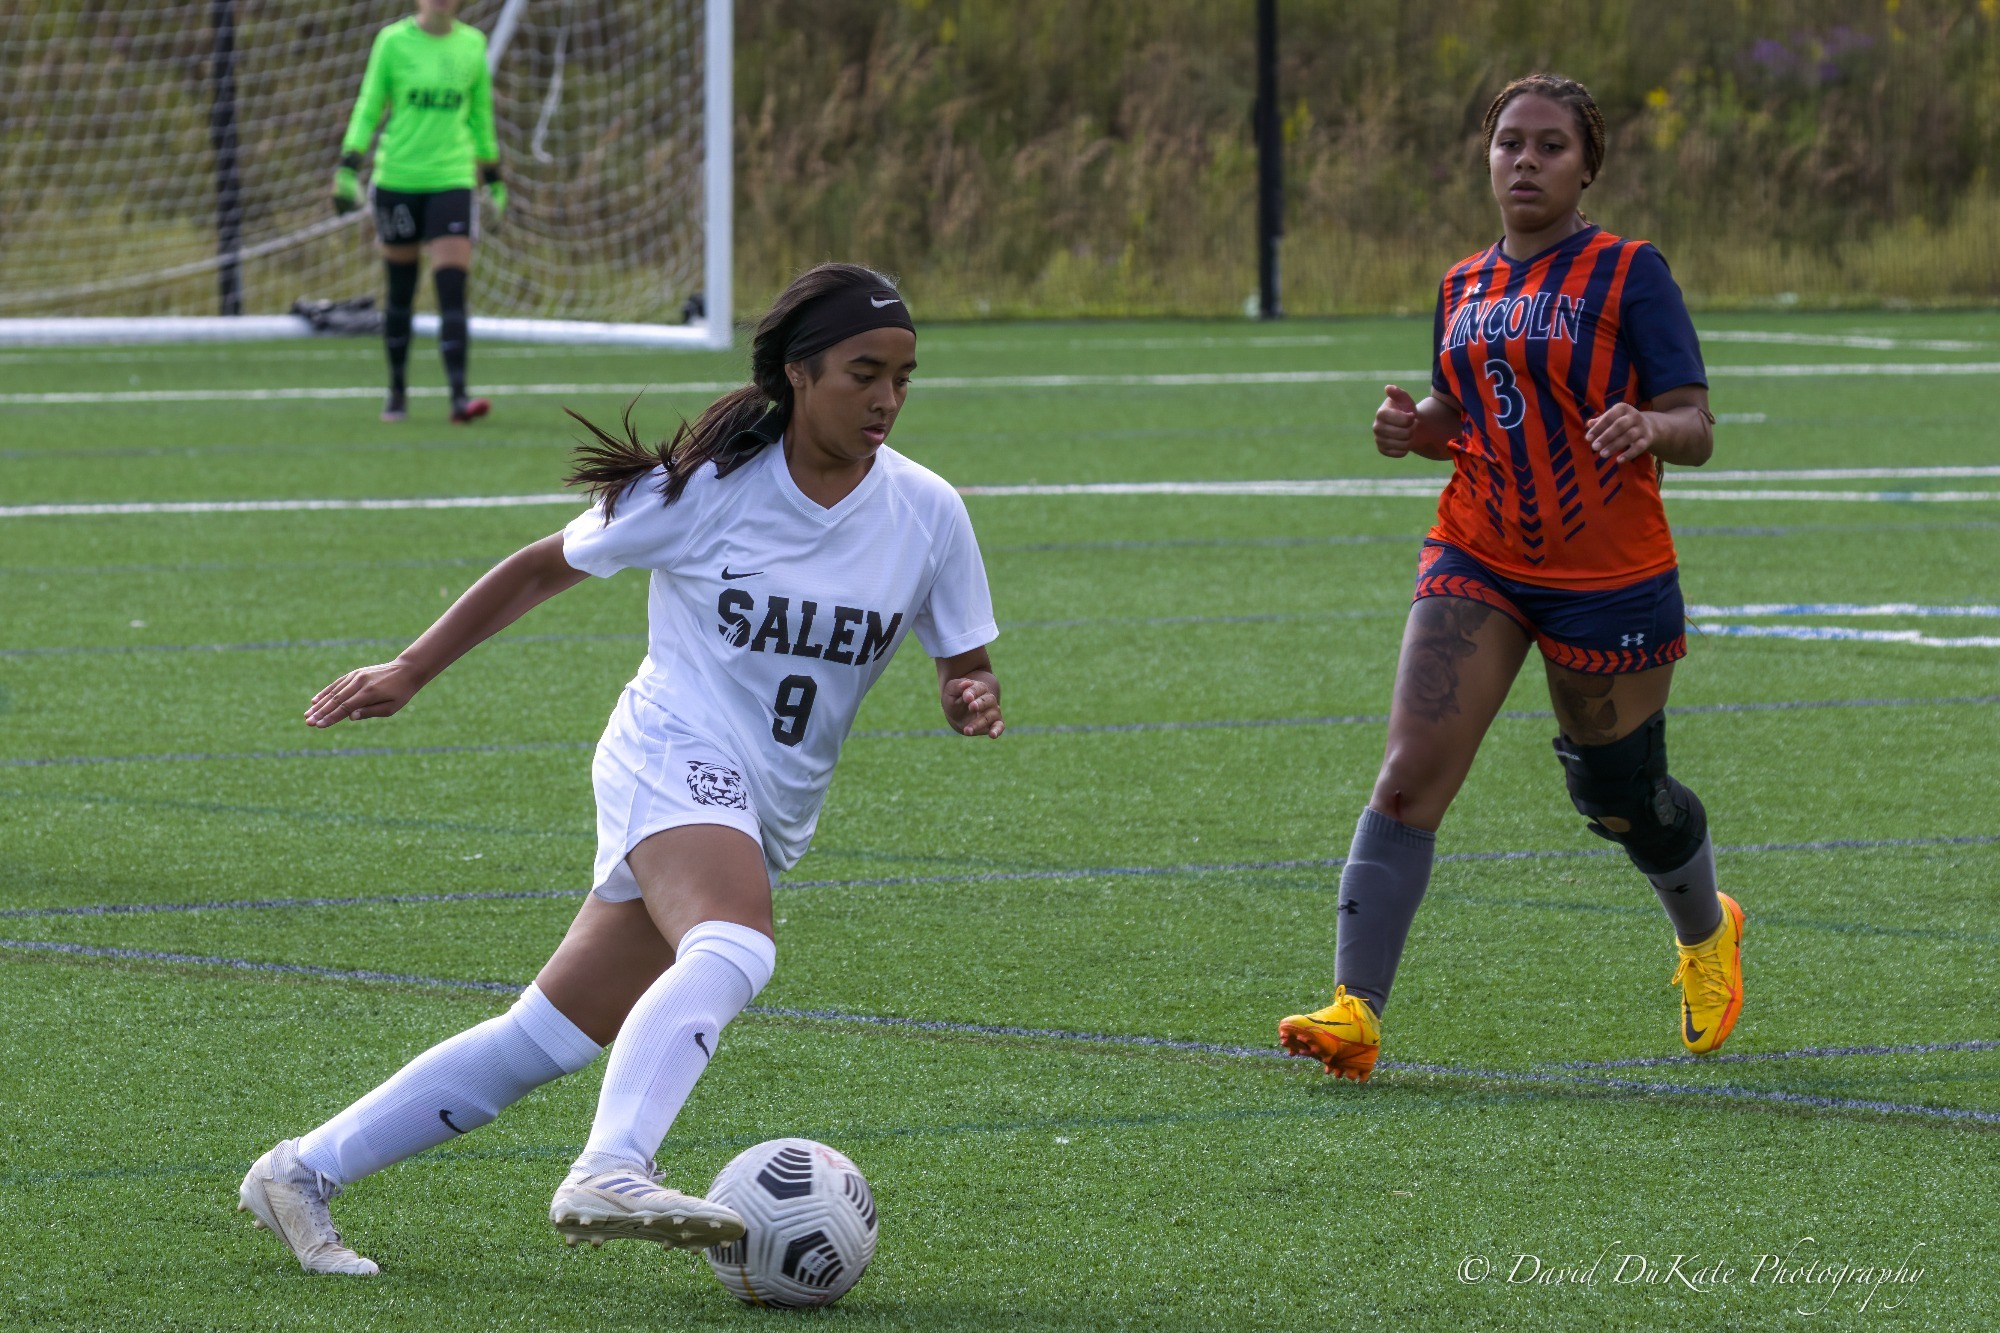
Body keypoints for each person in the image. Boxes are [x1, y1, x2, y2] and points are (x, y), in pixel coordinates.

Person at [238, 264, 1004, 1275]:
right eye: (864, 373)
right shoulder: (707, 489)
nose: (887, 400)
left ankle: (298, 1171)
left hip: (770, 807)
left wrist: (966, 695)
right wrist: (410, 669)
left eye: (904, 378)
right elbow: (539, 566)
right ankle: (610, 1163)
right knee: (734, 943)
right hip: (669, 751)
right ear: (795, 372)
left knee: (544, 1036)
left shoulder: (928, 512)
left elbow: (964, 661)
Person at [1278, 75, 1740, 1082]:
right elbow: (1465, 408)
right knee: (1407, 774)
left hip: (1606, 577)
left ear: (1586, 167)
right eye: (1506, 144)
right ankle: (1354, 1009)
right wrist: (1414, 429)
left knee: (1620, 797)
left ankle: (1705, 930)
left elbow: (1694, 425)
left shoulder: (1628, 274)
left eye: (1547, 147)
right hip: (1476, 551)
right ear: (1485, 158)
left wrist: (1648, 425)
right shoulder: (1460, 285)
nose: (1522, 161)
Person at [333, 0, 501, 425]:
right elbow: (369, 106)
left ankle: (460, 397)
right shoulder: (391, 42)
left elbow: (481, 117)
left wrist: (494, 177)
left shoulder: (472, 45)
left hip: (452, 179)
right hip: (398, 180)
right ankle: (396, 393)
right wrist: (348, 164)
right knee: (401, 290)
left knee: (451, 288)